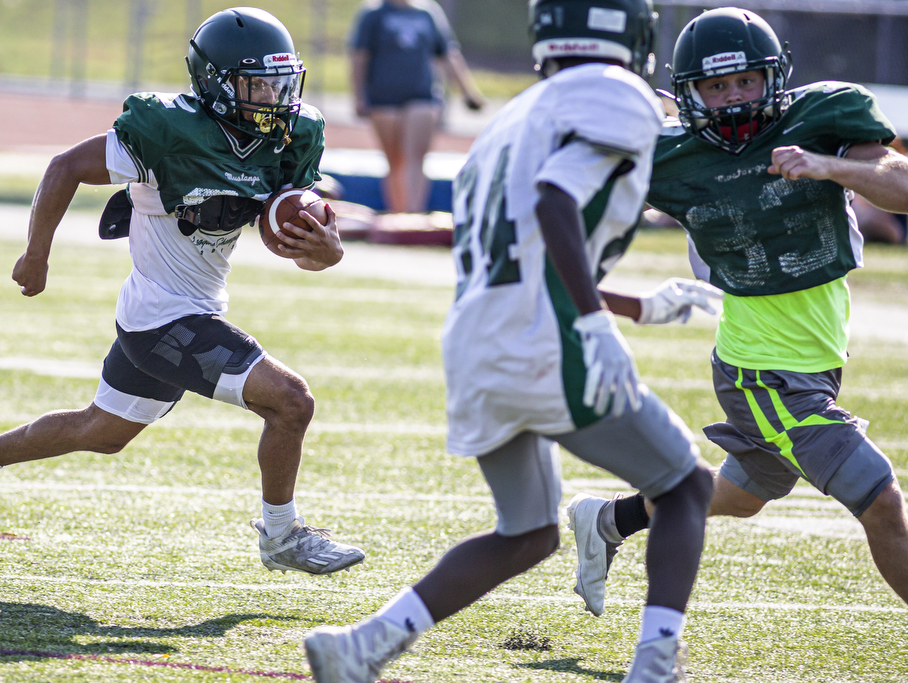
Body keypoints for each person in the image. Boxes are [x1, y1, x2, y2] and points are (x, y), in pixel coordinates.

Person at [303, 2, 719, 682]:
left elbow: (521, 252)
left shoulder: (512, 119)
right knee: (685, 486)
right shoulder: (616, 94)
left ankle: (362, 645)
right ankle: (655, 663)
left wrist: (636, 305)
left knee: (527, 533)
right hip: (546, 337)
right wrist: (593, 320)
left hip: (477, 340)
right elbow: (556, 200)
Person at [0, 7, 366, 576]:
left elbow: (295, 237)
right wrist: (36, 254)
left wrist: (327, 251)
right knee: (292, 401)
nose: (273, 99)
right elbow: (66, 166)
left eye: (280, 84)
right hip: (162, 320)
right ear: (216, 83)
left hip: (181, 313)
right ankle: (281, 536)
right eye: (257, 85)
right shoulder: (168, 132)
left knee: (101, 431)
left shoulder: (288, 139)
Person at [568, 7, 908, 619]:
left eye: (745, 81)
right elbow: (580, 214)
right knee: (880, 499)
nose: (732, 98)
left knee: (745, 494)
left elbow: (901, 184)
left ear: (773, 76)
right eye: (715, 85)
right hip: (762, 372)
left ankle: (609, 520)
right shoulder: (668, 154)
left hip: (814, 359)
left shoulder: (822, 117)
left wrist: (830, 167)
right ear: (689, 93)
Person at [348, 0, 486, 214]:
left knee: (415, 157)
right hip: (383, 98)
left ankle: (413, 214)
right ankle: (398, 214)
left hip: (421, 95)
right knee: (395, 161)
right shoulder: (373, 14)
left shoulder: (428, 13)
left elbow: (447, 53)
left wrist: (468, 91)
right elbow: (360, 56)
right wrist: (359, 96)